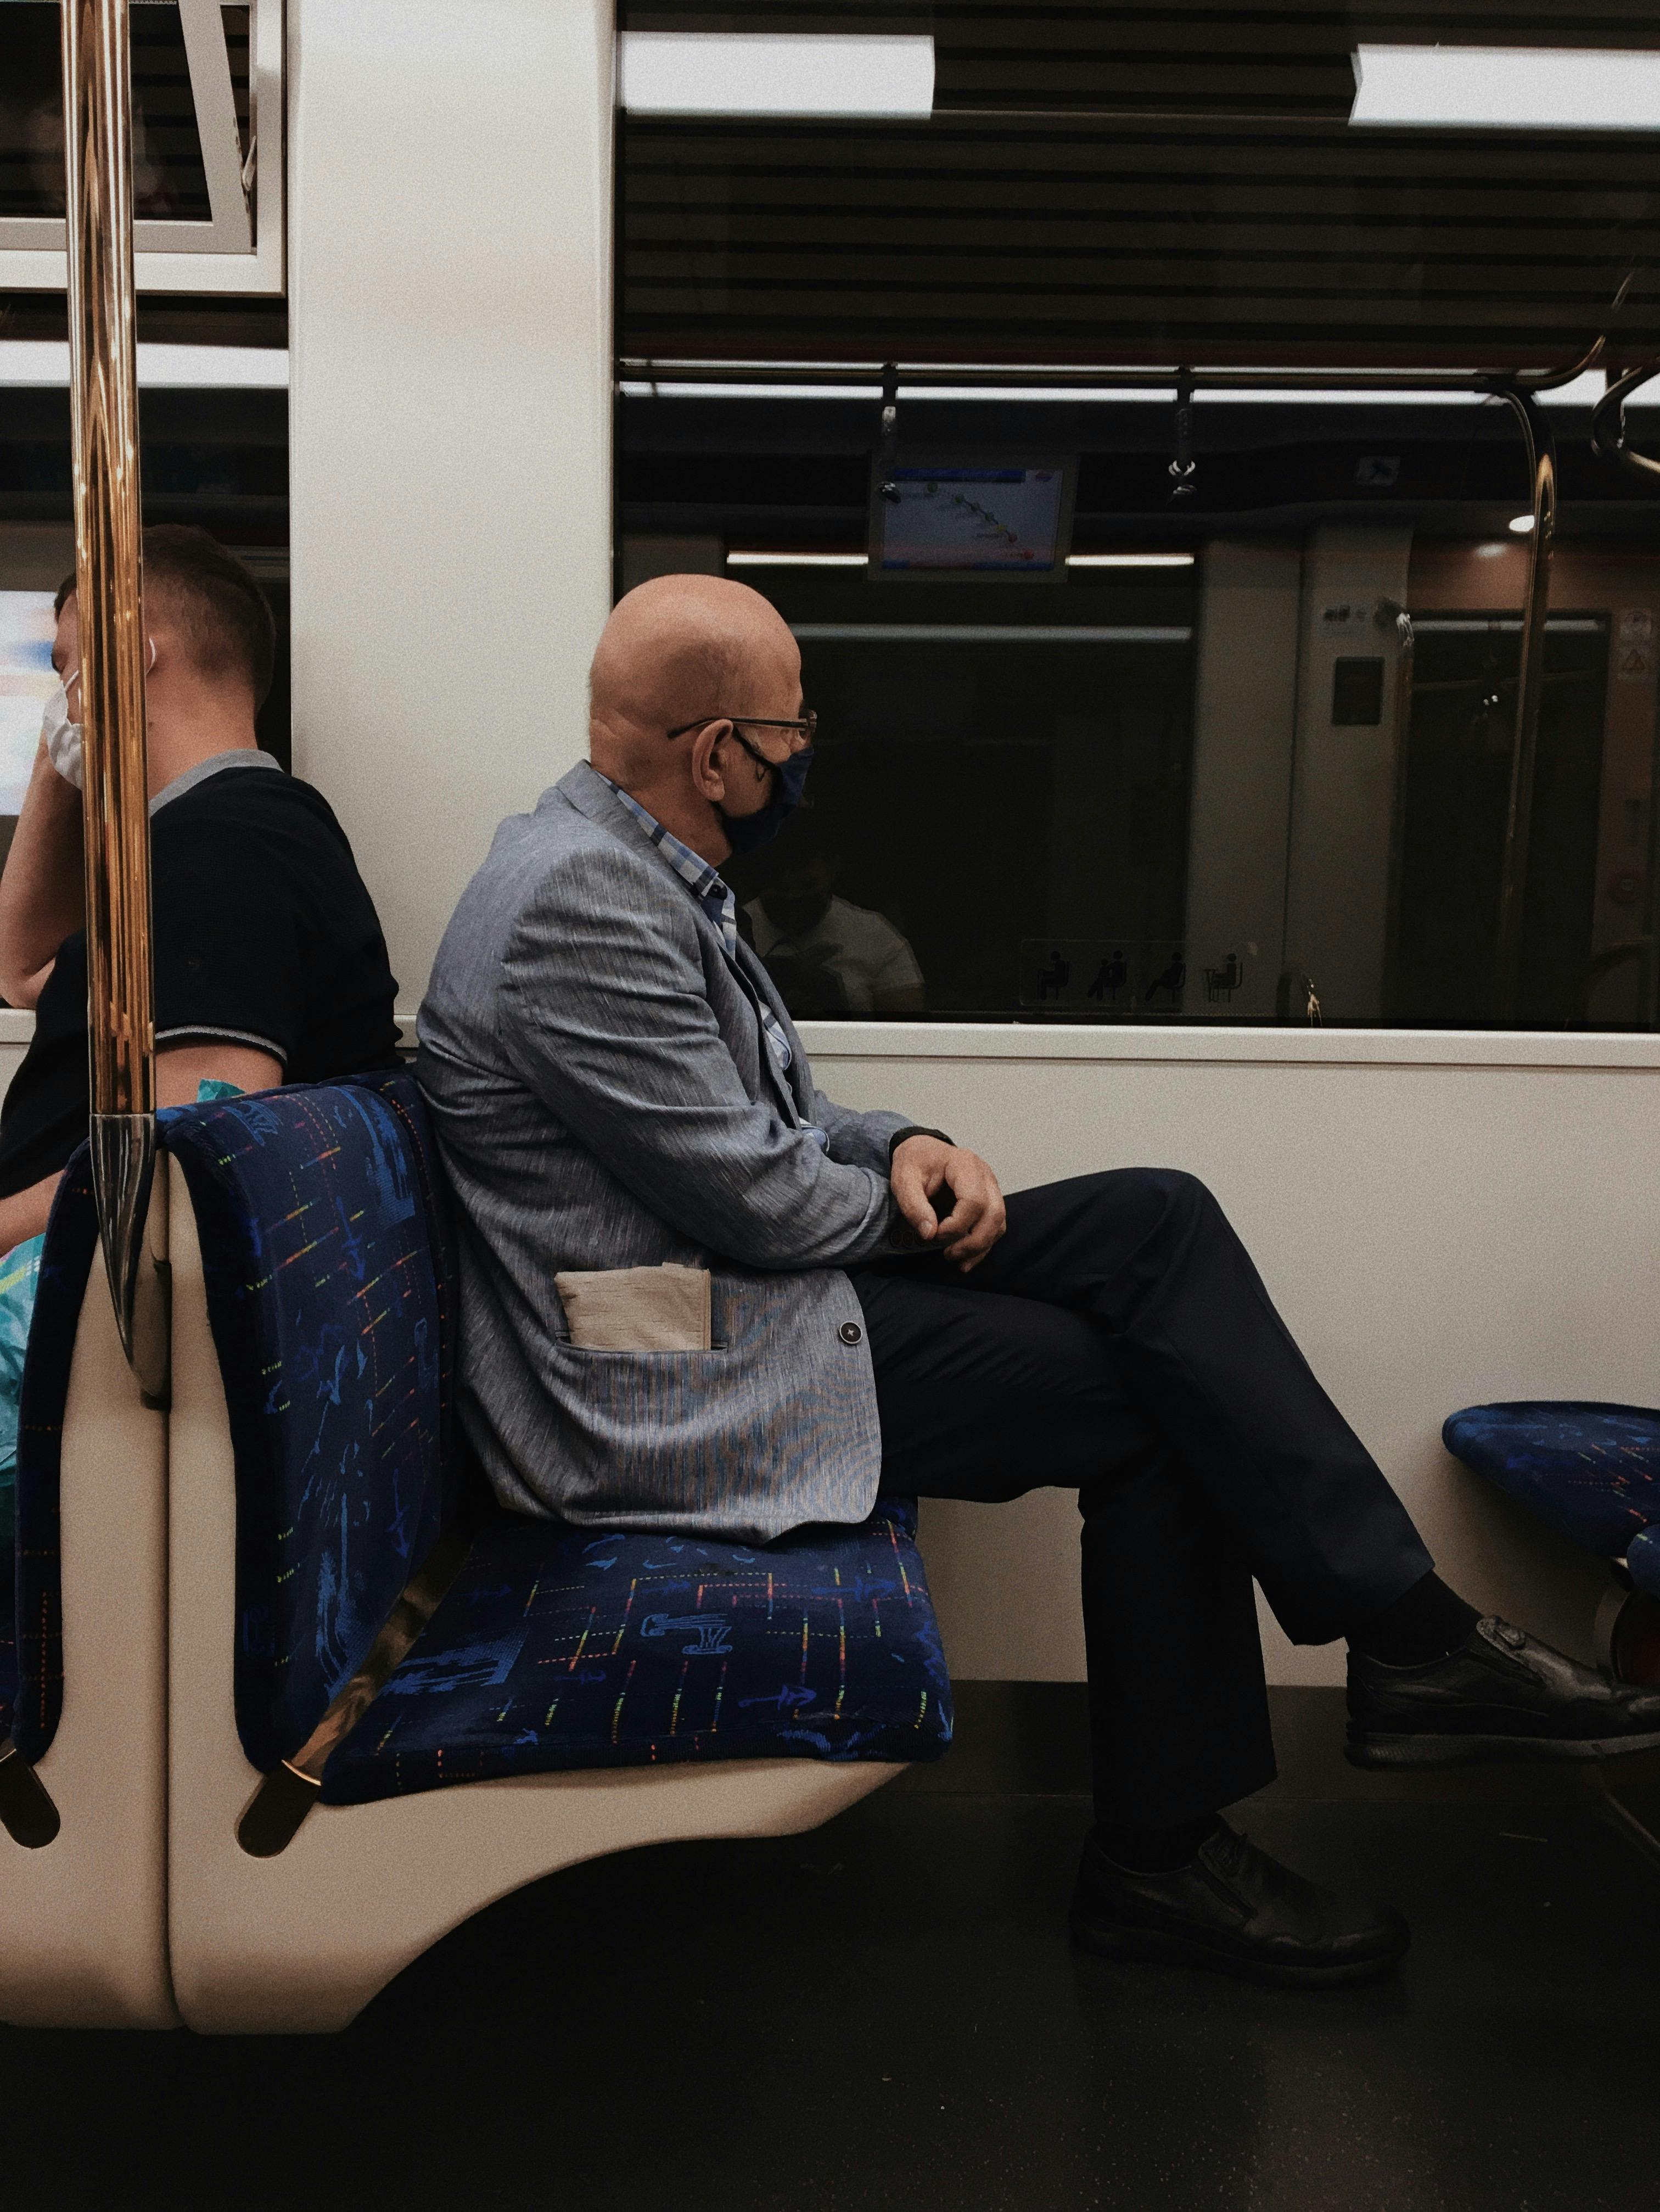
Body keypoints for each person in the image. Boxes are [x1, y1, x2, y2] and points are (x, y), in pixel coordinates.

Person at [418, 574, 1660, 1992]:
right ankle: (1231, 1797)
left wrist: (912, 1147)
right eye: (791, 733)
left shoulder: (623, 867)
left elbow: (780, 1116)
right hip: (664, 1365)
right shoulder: (577, 899)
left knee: (1154, 1219)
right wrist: (920, 1214)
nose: (801, 760)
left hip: (720, 1296)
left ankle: (1392, 1656)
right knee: (1162, 1398)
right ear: (716, 753)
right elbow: (756, 1198)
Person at [0, 525, 401, 1256]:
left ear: (131, 657)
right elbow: (24, 975)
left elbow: (176, 1172)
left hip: (77, 1299)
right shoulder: (250, 829)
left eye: (68, 670)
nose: (63, 706)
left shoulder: (219, 850)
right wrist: (58, 754)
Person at [744, 816, 925, 1015]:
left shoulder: (875, 935)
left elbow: (908, 1026)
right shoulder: (730, 931)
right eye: (781, 884)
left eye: (807, 884)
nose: (793, 896)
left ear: (831, 869)